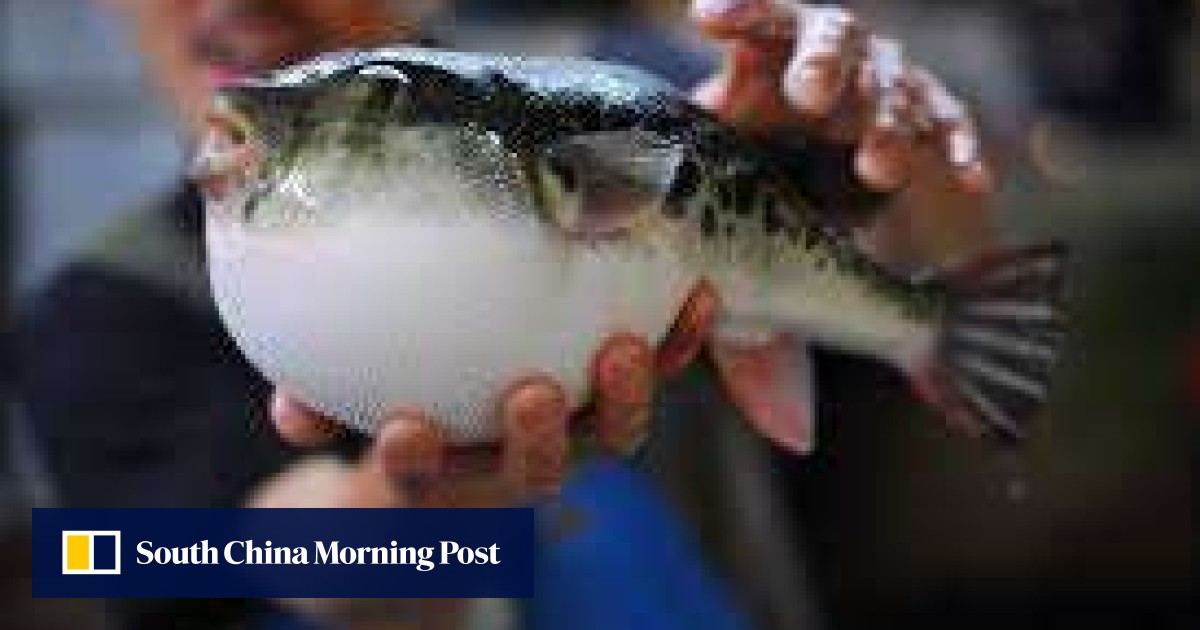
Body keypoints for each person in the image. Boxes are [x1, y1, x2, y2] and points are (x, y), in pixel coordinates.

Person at [16, 1, 993, 628]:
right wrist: (439, 502)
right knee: (579, 520)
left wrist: (890, 135)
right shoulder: (90, 313)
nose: (234, 0)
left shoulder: (647, 99)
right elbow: (159, 558)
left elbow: (944, 262)